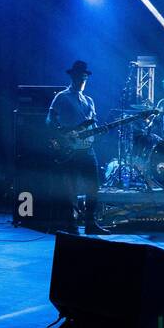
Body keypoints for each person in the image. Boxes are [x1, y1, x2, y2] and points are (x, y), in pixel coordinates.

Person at [45, 60, 109, 235]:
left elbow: (91, 126)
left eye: (84, 78)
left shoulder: (89, 100)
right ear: (72, 76)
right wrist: (64, 134)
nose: (82, 80)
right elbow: (50, 120)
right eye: (79, 77)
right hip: (70, 149)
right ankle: (71, 225)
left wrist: (99, 132)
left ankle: (90, 223)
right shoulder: (62, 96)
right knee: (70, 188)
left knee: (93, 187)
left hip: (87, 149)